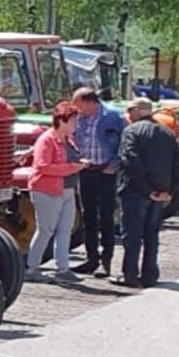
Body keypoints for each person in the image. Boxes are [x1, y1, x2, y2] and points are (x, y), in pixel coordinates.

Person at [115, 97, 179, 289]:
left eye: (129, 111)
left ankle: (130, 274)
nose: (128, 115)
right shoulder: (167, 133)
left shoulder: (132, 131)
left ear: (136, 111)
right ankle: (149, 274)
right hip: (160, 192)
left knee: (132, 235)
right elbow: (177, 164)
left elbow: (130, 160)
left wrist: (146, 189)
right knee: (152, 235)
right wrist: (169, 191)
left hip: (137, 191)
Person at [24, 105, 87, 282]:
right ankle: (31, 268)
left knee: (65, 229)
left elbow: (69, 159)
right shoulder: (47, 139)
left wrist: (79, 163)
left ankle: (63, 267)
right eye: (73, 120)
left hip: (67, 190)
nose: (76, 123)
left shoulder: (69, 139)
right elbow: (42, 166)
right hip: (47, 190)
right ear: (61, 120)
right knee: (46, 229)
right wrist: (73, 168)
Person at [69, 87, 126, 277]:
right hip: (86, 171)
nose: (78, 110)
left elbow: (126, 142)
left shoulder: (113, 117)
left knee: (107, 216)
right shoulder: (80, 120)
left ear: (90, 103)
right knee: (88, 216)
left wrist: (115, 164)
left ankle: (106, 260)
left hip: (106, 171)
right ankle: (91, 257)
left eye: (79, 106)